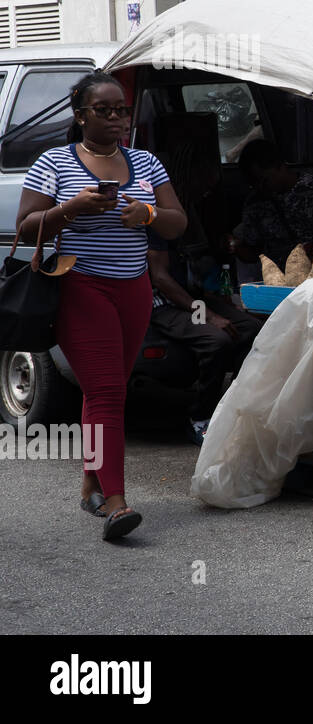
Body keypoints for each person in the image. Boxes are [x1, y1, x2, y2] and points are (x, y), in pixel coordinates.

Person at [17, 72, 187, 541]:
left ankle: (91, 482)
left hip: (133, 288)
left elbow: (177, 224)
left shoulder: (147, 164)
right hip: (80, 286)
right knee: (108, 391)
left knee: (105, 391)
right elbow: (27, 227)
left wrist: (147, 214)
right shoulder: (54, 162)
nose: (116, 119)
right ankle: (116, 502)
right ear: (80, 115)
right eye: (104, 111)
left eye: (122, 110)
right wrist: (71, 209)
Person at [146, 134, 261, 441]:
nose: (210, 188)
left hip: (194, 295)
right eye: (205, 180)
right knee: (217, 341)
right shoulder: (162, 215)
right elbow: (161, 279)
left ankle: (234, 406)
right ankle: (200, 416)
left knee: (253, 329)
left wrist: (214, 295)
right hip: (165, 302)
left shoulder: (195, 210)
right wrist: (209, 315)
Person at [231, 139, 313, 267]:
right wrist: (234, 246)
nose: (260, 188)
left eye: (264, 180)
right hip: (277, 275)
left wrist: (309, 267)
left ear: (280, 166)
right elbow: (253, 252)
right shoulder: (254, 203)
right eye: (254, 184)